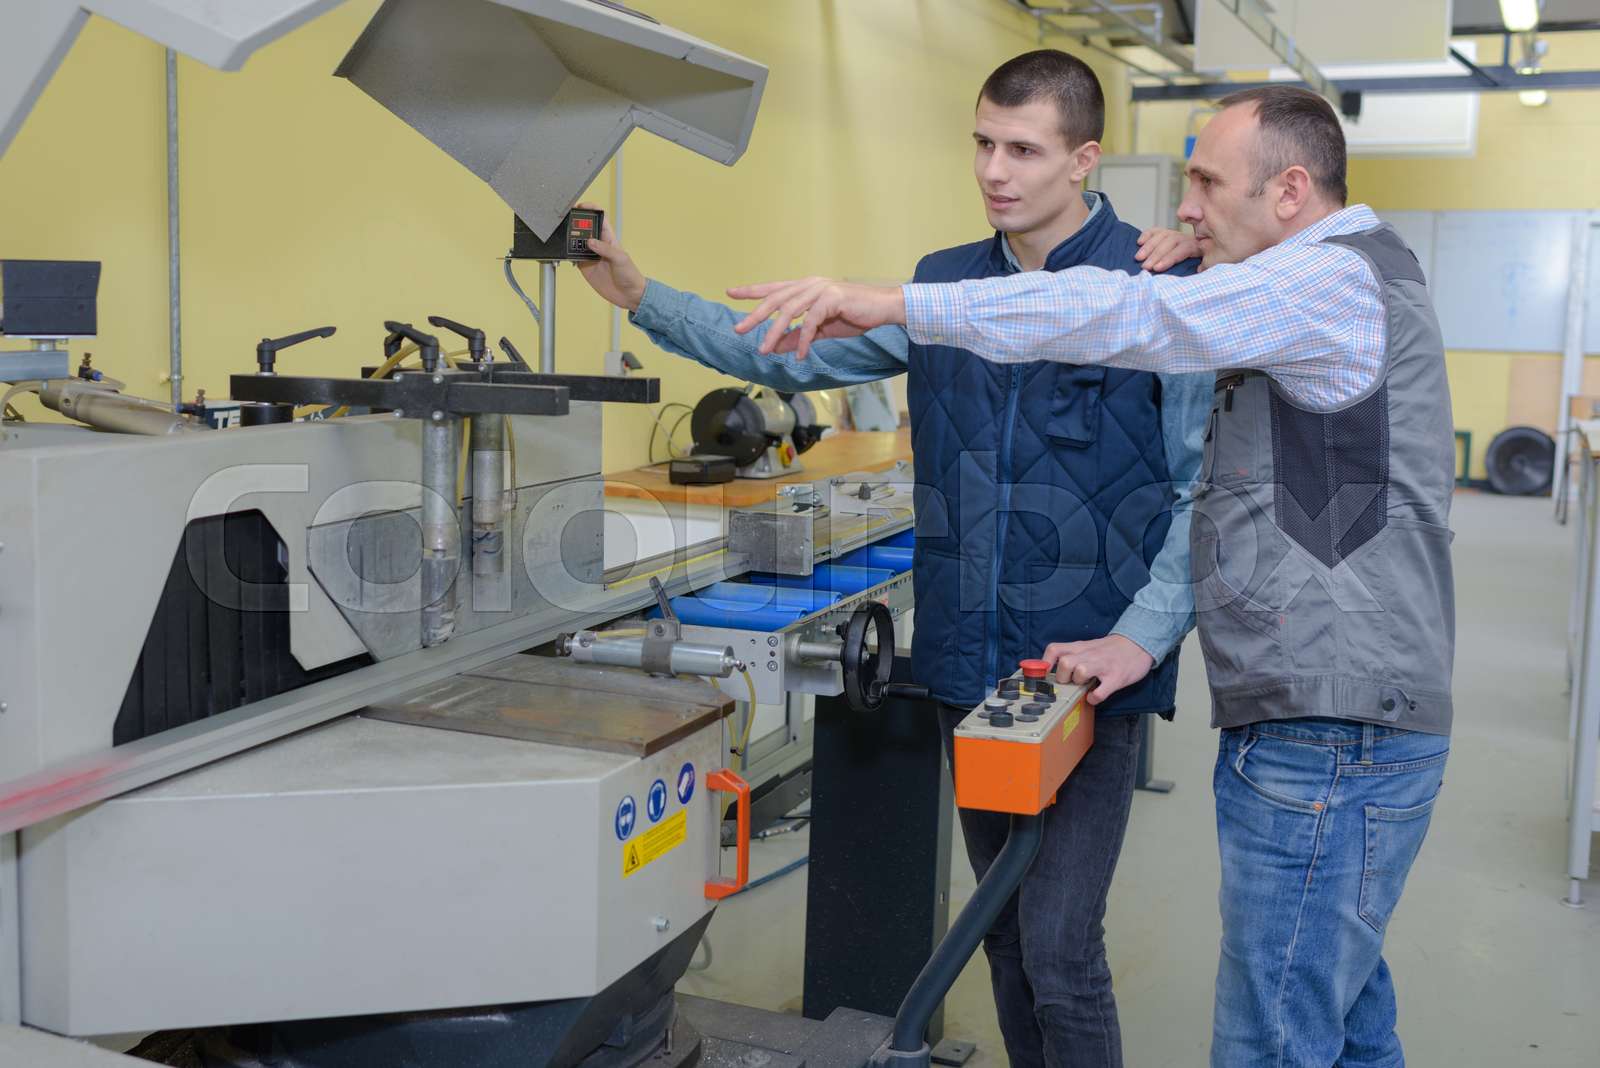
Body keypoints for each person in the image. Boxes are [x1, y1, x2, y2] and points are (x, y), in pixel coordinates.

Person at [726, 85, 1455, 1068]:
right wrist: (1140, 634)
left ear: (1289, 190)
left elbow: (1129, 318)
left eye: (1203, 180)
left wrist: (897, 302)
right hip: (1328, 720)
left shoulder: (1325, 282)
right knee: (1347, 1021)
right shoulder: (1337, 279)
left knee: (1273, 1038)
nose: (1184, 207)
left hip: (1333, 733)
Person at [579, 49, 1208, 1068]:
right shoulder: (941, 287)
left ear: (1083, 160)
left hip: (1086, 669)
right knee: (997, 933)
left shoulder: (1156, 286)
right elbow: (784, 351)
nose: (994, 170)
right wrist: (643, 294)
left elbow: (1197, 490)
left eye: (1023, 149)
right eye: (982, 144)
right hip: (970, 662)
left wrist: (1141, 637)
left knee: (1060, 946)